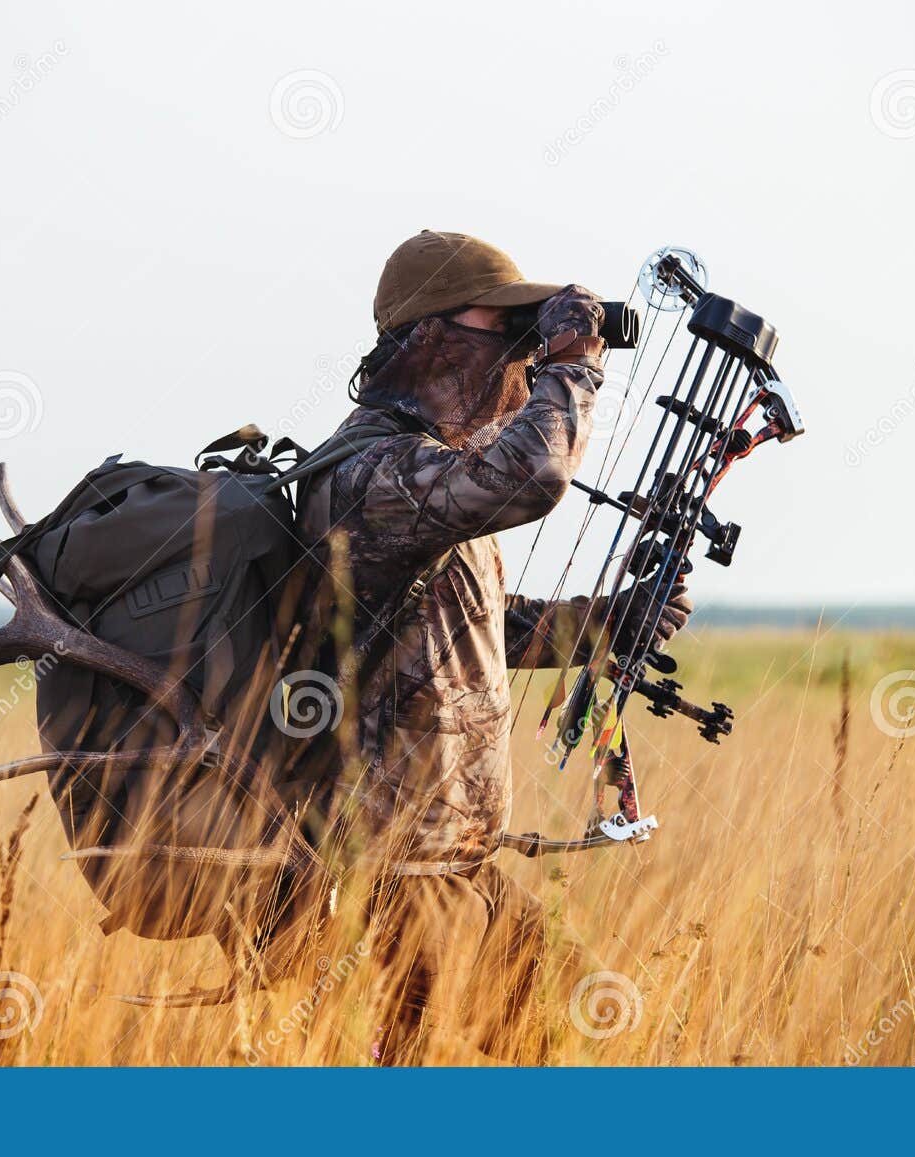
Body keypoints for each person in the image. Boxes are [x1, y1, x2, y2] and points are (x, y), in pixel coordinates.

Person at [294, 230, 692, 1062]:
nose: (521, 355)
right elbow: (535, 476)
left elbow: (469, 624)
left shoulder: (431, 471)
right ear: (432, 340)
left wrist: (605, 622)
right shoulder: (374, 470)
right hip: (389, 871)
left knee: (570, 1031)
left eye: (530, 335)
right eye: (504, 331)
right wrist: (574, 361)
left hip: (455, 866)